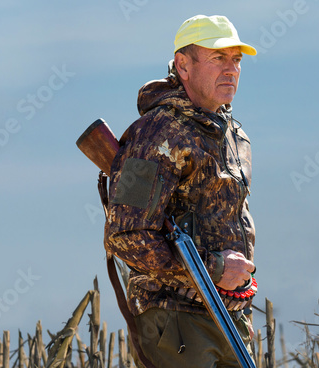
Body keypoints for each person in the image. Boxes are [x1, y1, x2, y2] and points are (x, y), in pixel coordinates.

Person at [104, 14, 259, 367]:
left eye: (236, 59)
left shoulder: (235, 137)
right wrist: (214, 268)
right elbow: (126, 234)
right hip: (174, 317)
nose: (231, 69)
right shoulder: (156, 132)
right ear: (183, 66)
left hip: (228, 316)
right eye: (218, 58)